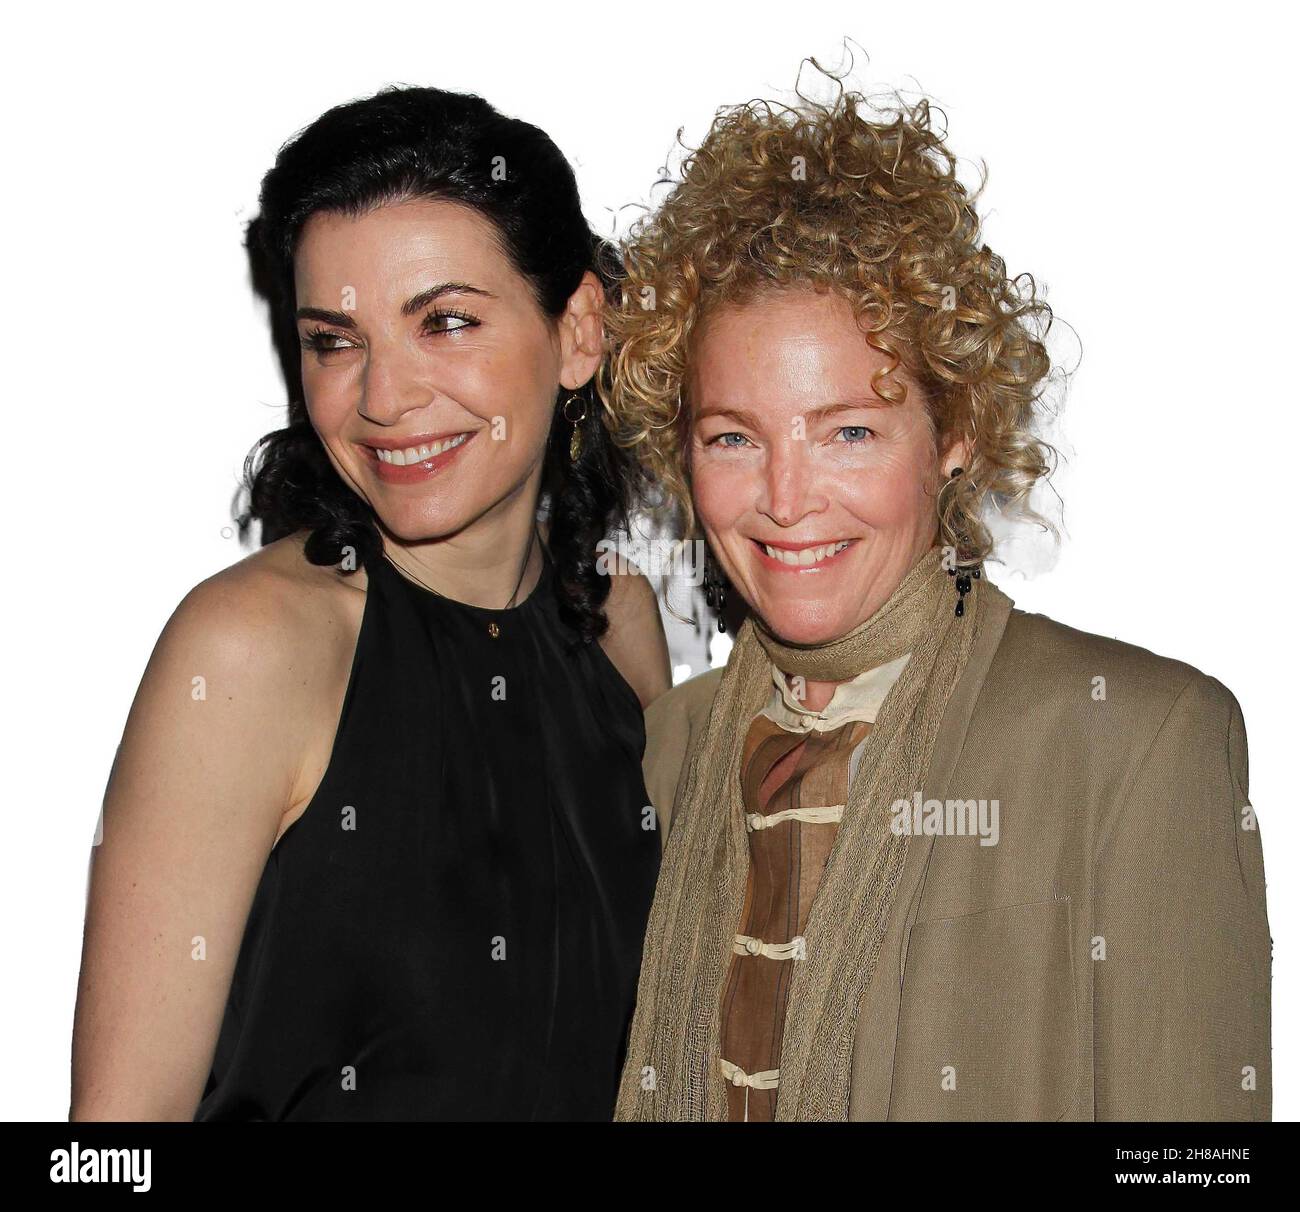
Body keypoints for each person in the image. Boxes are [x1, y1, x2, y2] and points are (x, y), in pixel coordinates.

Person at [599, 75, 1270, 1121]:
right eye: (733, 435)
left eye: (847, 432)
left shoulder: (1138, 739)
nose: (784, 499)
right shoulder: (670, 747)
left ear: (954, 432)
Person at [70, 85, 670, 1121]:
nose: (382, 398)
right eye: (332, 341)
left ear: (577, 331)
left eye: (444, 322)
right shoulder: (251, 650)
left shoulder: (621, 627)